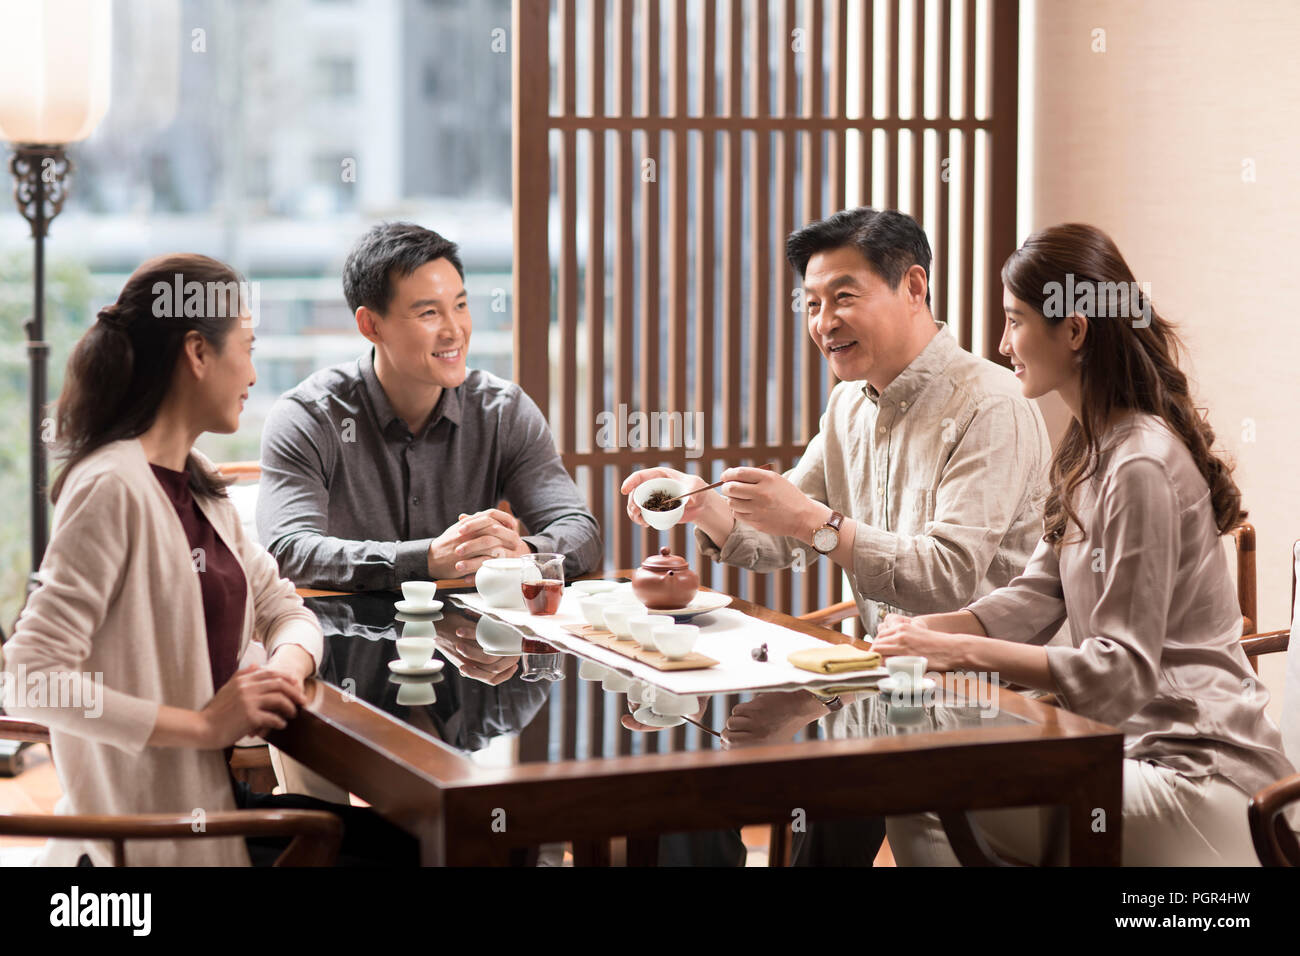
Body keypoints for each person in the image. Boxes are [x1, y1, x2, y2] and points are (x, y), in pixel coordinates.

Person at [621, 207, 1054, 865]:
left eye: (843, 298)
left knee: (810, 795)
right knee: (726, 793)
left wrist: (811, 522)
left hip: (981, 700)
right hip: (875, 684)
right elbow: (785, 537)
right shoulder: (849, 404)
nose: (823, 322)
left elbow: (949, 575)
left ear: (914, 287)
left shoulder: (991, 404)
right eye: (812, 303)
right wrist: (701, 508)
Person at [875, 223, 1296, 865]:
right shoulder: (1088, 447)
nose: (1002, 343)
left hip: (1202, 775)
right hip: (1129, 752)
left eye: (1015, 322)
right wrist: (924, 632)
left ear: (1073, 331)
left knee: (920, 784)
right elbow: (1036, 597)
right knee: (914, 752)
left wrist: (955, 647)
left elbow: (1120, 670)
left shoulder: (1141, 464)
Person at [1, 254, 415, 866]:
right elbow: (28, 678)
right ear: (197, 353)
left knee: (423, 840)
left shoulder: (200, 486)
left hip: (212, 807)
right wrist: (202, 726)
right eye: (245, 347)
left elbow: (285, 608)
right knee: (417, 848)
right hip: (150, 839)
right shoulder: (113, 486)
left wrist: (284, 664)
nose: (252, 373)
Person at [256, 222, 601, 592]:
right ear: (370, 325)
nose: (455, 330)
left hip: (470, 643)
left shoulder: (503, 412)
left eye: (461, 305)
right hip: (346, 640)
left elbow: (581, 532)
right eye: (429, 314)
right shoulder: (309, 417)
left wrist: (524, 553)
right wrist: (426, 559)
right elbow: (288, 550)